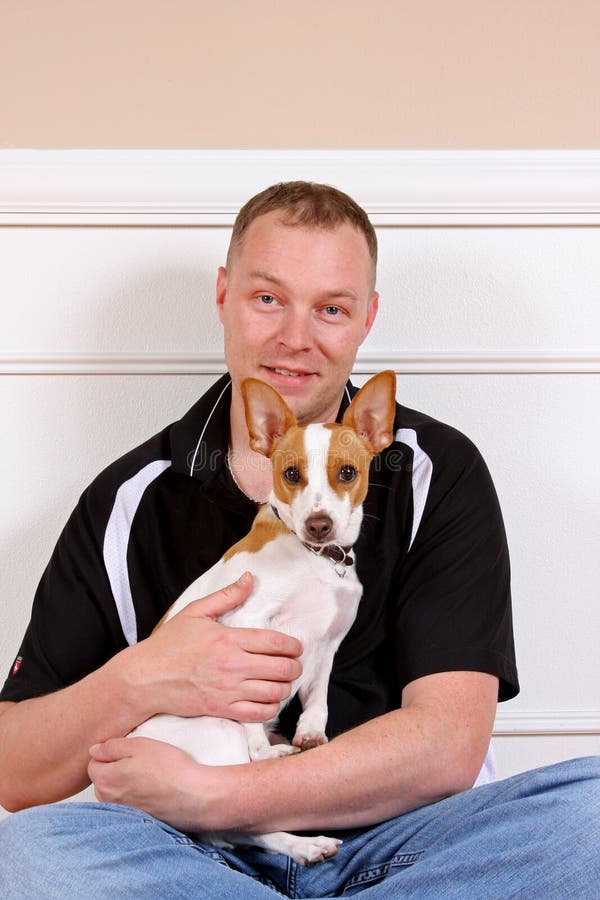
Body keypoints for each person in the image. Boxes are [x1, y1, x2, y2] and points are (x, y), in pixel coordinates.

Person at [0, 181, 598, 899]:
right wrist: (144, 674)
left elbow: (448, 748)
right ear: (223, 294)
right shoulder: (127, 499)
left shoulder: (437, 469)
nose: (295, 337)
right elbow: (15, 769)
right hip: (184, 853)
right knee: (30, 851)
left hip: (399, 843)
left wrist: (218, 796)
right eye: (268, 298)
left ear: (366, 319)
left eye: (332, 308)